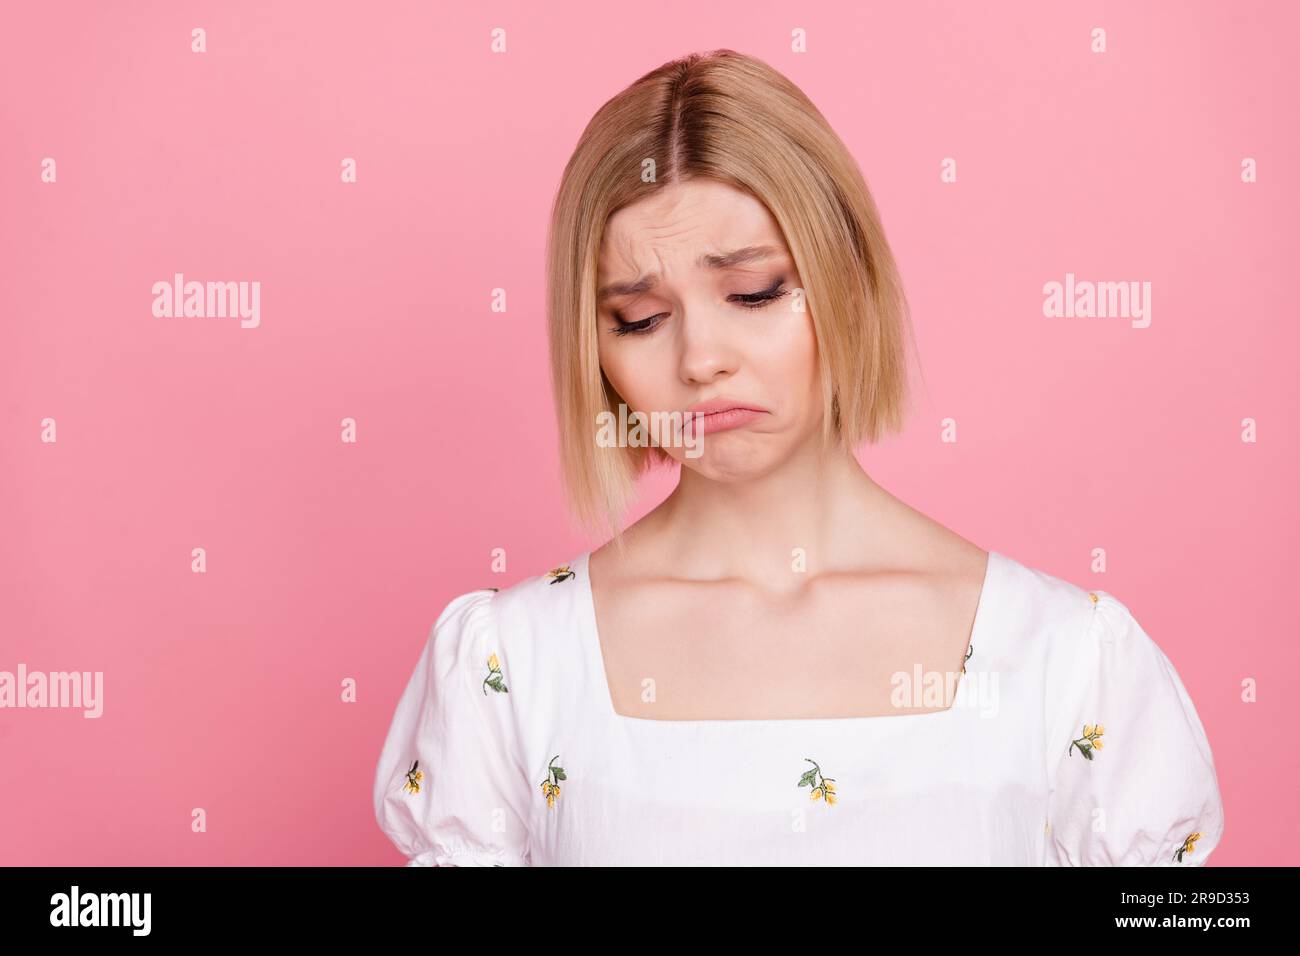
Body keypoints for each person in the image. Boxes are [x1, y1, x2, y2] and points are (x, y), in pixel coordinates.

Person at [372, 49, 1224, 866]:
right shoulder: (510, 668)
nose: (700, 359)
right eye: (639, 317)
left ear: (847, 279)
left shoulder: (1069, 664)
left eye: (754, 293)